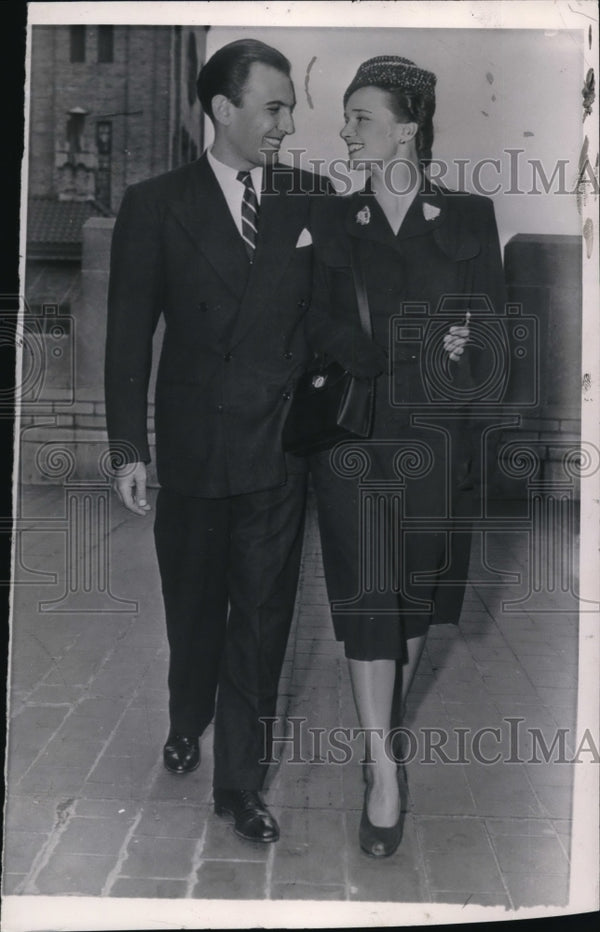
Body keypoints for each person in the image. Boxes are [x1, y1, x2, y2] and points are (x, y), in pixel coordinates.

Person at [105, 38, 330, 844]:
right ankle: (185, 714)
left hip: (278, 449)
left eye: (290, 109)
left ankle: (240, 785)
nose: (287, 125)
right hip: (195, 448)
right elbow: (128, 337)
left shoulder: (312, 198)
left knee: (263, 618)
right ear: (223, 110)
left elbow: (337, 316)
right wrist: (128, 448)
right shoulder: (155, 204)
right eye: (274, 108)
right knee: (195, 608)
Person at [308, 56, 506, 857]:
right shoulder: (331, 220)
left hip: (436, 438)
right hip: (355, 439)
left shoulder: (469, 216)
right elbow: (316, 326)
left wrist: (463, 354)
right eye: (347, 116)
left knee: (413, 598)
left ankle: (381, 736)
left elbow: (494, 337)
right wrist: (410, 343)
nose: (346, 130)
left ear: (407, 130)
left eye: (360, 117)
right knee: (370, 594)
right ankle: (384, 772)